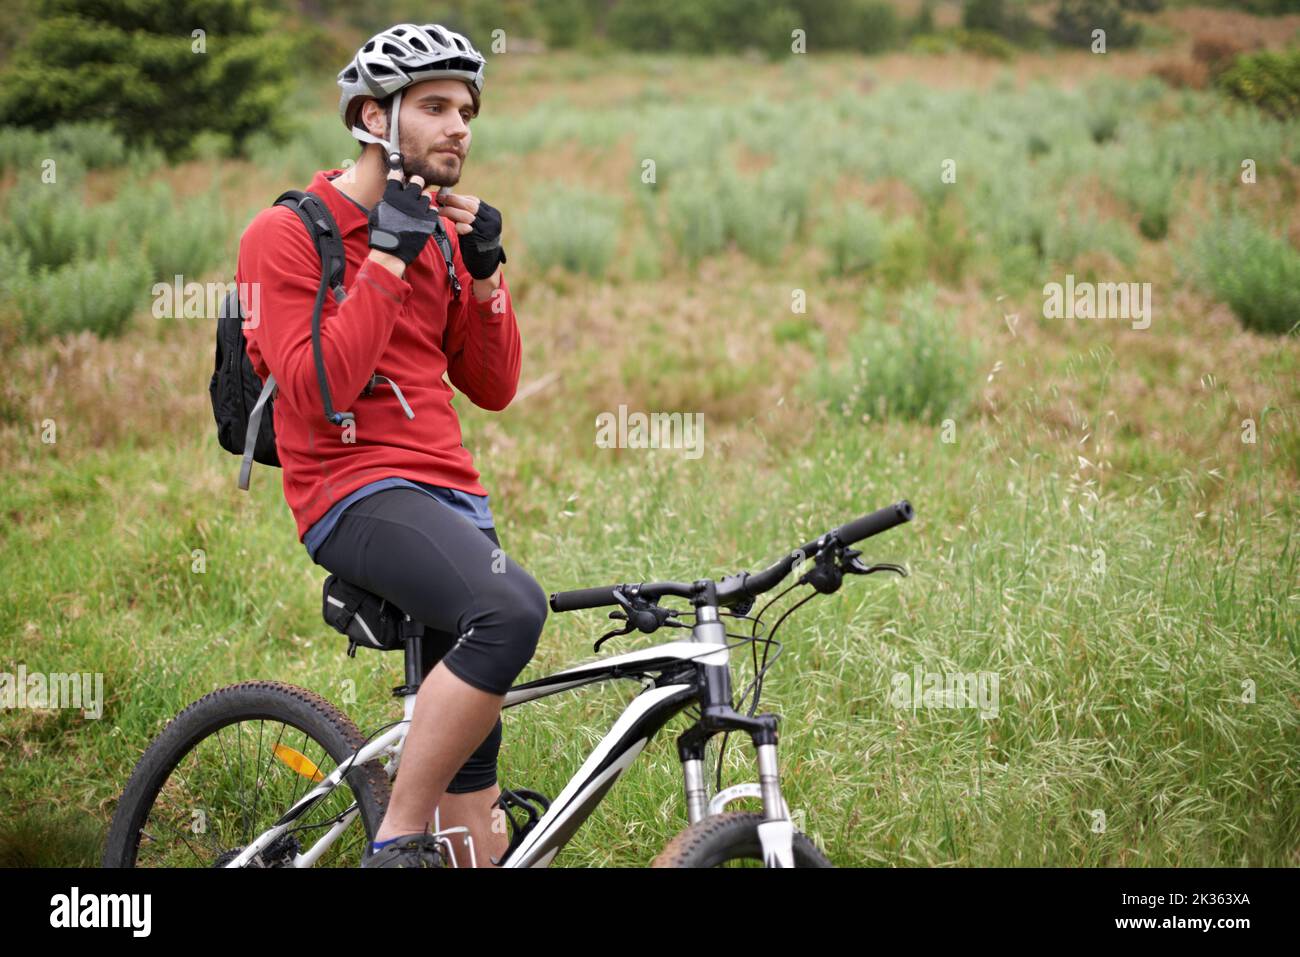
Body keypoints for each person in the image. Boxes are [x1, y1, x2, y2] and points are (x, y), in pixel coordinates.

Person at [235, 22, 547, 868]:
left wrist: (485, 275)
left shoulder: (442, 232)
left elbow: (494, 387)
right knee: (513, 610)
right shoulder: (286, 234)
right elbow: (316, 388)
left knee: (478, 810)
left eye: (468, 111)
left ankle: (436, 832)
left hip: (453, 498)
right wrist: (386, 255)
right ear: (375, 115)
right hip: (352, 492)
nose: (460, 128)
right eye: (437, 106)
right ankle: (396, 838)